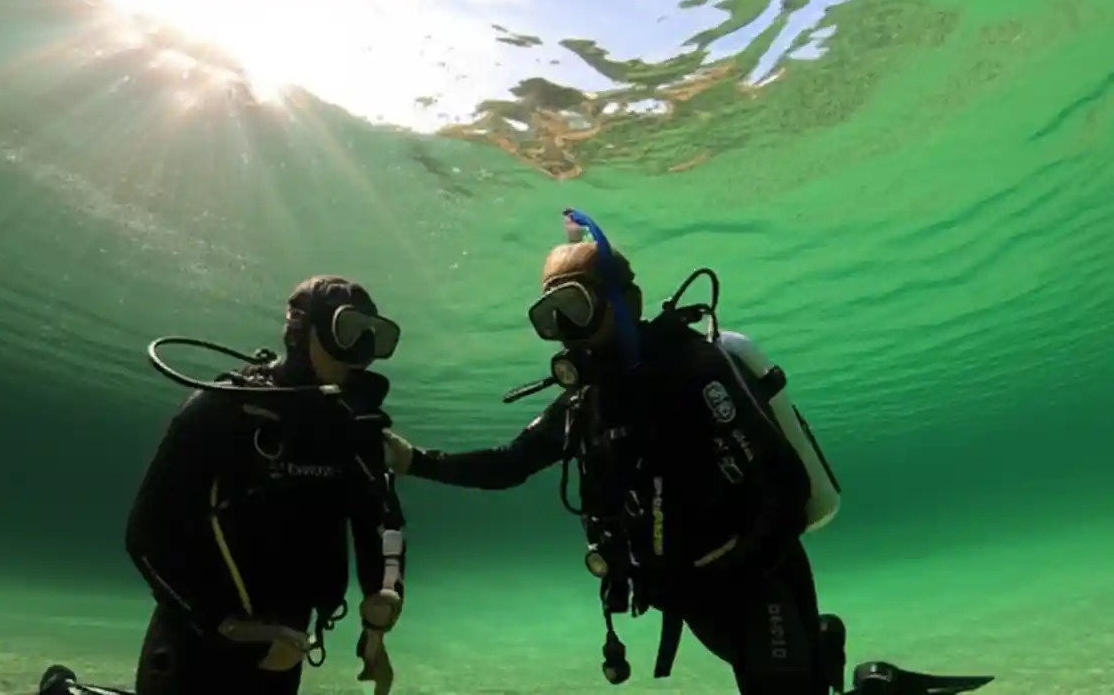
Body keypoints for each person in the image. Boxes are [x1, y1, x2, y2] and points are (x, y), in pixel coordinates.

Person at [382, 210, 993, 695]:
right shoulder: (585, 406)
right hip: (690, 597)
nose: (566, 331)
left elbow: (785, 490)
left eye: (576, 308)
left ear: (626, 301)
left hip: (759, 584)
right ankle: (831, 658)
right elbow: (509, 463)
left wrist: (729, 573)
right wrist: (416, 460)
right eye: (550, 316)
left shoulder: (694, 372)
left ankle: (866, 677)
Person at [123, 275, 409, 695]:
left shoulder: (353, 432)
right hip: (195, 643)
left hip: (286, 648)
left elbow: (382, 522)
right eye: (347, 332)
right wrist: (230, 627)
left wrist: (382, 602)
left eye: (371, 335)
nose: (359, 354)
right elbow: (145, 537)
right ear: (301, 332)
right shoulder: (223, 412)